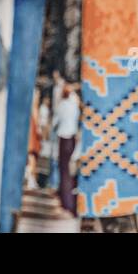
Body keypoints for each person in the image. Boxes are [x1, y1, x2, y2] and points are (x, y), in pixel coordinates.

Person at [53, 83, 80, 214]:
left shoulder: (62, 105)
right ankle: (70, 203)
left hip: (63, 138)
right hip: (72, 138)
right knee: (70, 172)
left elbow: (55, 122)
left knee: (64, 171)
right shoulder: (74, 105)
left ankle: (66, 202)